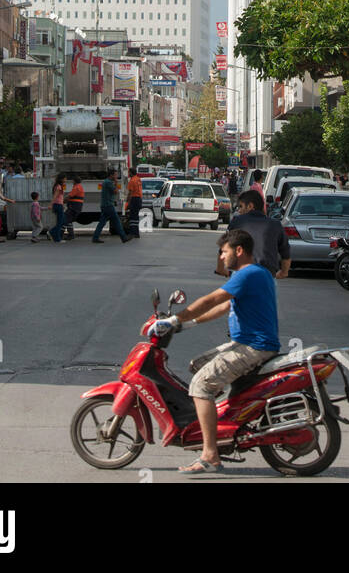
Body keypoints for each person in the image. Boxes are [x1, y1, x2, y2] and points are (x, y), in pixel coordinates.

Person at [170, 228, 280, 474]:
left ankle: (210, 455)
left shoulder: (247, 274)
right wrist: (189, 324)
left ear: (238, 251)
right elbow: (223, 307)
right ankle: (221, 424)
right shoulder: (257, 272)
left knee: (200, 385)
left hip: (254, 347)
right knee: (197, 365)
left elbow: (211, 300)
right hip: (249, 344)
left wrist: (175, 320)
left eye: (224, 252)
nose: (221, 257)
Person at [218, 190, 291, 277]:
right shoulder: (275, 225)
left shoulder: (237, 222)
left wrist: (221, 269)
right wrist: (284, 272)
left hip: (242, 274)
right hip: (267, 276)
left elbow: (224, 248)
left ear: (250, 206)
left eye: (240, 207)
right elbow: (286, 253)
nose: (239, 211)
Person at [92, 169, 133, 243]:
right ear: (111, 175)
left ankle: (95, 237)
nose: (116, 176)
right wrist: (116, 183)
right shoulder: (108, 182)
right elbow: (116, 191)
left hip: (105, 205)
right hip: (108, 205)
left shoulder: (106, 182)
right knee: (116, 221)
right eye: (115, 174)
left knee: (102, 222)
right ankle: (123, 237)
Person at [48, 174, 67, 243]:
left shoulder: (58, 186)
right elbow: (55, 196)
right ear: (61, 179)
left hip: (59, 205)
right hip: (58, 205)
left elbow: (59, 197)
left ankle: (55, 236)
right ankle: (54, 235)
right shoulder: (58, 187)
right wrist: (51, 204)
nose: (66, 180)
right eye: (65, 178)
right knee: (60, 222)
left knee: (61, 222)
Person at [126, 166, 143, 238]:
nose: (128, 173)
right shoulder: (138, 179)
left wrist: (128, 201)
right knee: (136, 216)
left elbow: (130, 192)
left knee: (132, 216)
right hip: (139, 199)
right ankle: (136, 233)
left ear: (131, 173)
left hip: (134, 199)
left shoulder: (132, 181)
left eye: (128, 172)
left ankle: (133, 232)